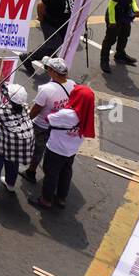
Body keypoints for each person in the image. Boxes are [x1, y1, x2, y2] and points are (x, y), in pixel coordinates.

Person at [30, 82, 95, 211]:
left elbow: (49, 118)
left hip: (56, 149)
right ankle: (61, 198)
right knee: (66, 172)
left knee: (51, 174)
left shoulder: (67, 114)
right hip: (71, 150)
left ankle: (46, 199)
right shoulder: (87, 113)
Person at [0, 83, 34, 200]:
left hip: (3, 143)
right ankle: (10, 184)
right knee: (13, 162)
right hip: (19, 145)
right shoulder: (24, 106)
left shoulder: (2, 111)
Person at [22, 0, 80, 74]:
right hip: (50, 22)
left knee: (59, 43)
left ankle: (48, 59)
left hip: (62, 22)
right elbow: (41, 5)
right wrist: (41, 19)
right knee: (52, 45)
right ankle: (28, 57)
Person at [100, 0, 139, 73]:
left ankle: (120, 54)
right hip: (114, 16)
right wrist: (112, 22)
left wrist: (136, 9)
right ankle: (104, 60)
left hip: (125, 16)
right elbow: (111, 6)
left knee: (124, 35)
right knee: (110, 39)